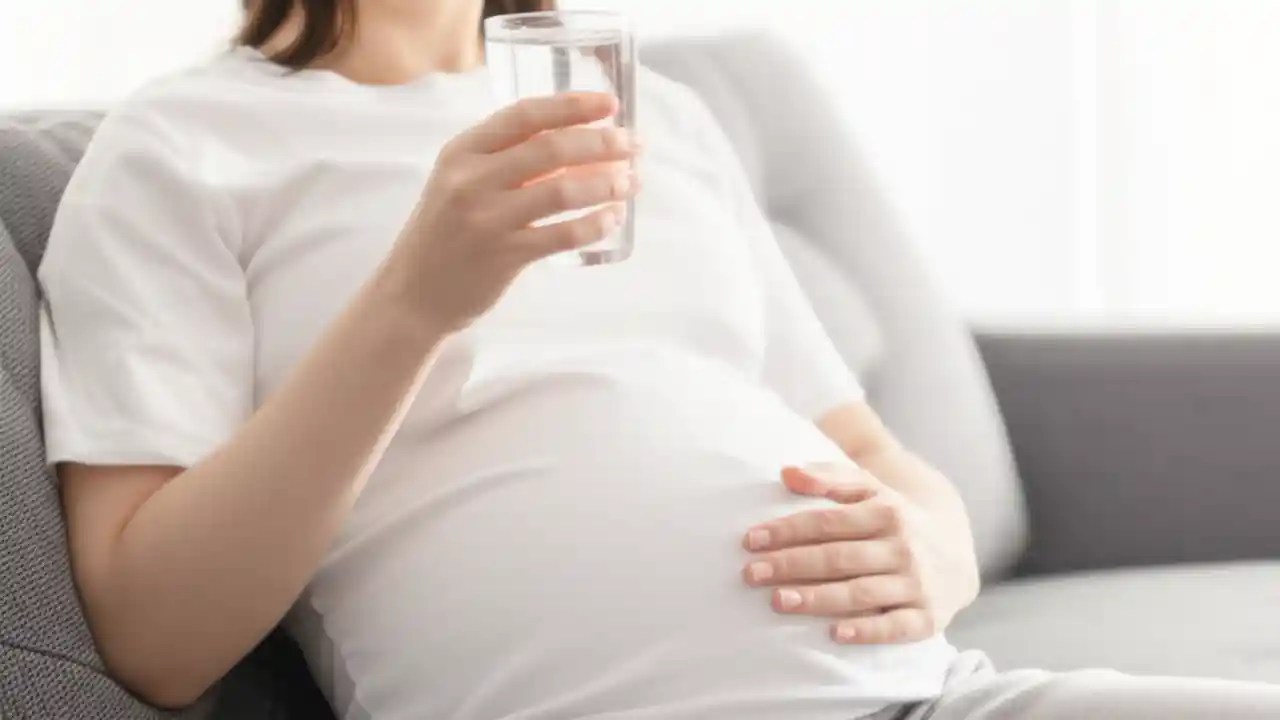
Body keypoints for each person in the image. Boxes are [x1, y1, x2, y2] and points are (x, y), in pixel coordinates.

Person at [38, 0, 1280, 718]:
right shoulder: (182, 149)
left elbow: (865, 449)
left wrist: (936, 551)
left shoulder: (649, 113)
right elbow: (157, 633)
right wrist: (415, 300)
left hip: (935, 698)